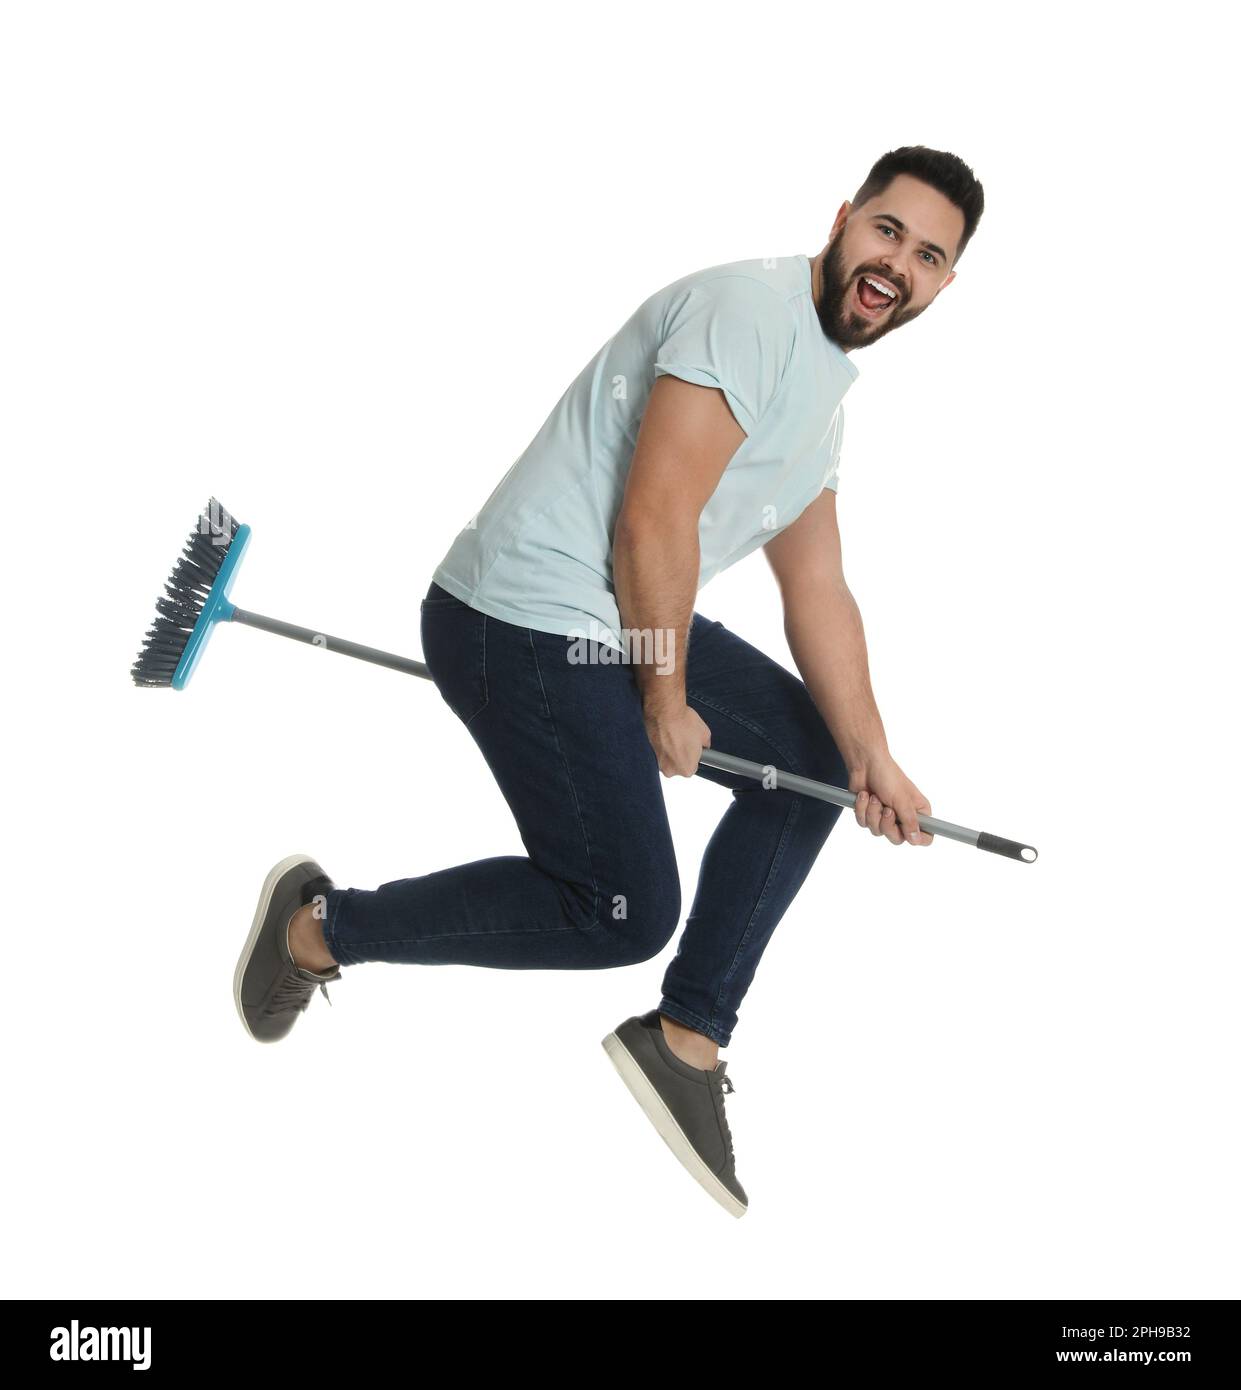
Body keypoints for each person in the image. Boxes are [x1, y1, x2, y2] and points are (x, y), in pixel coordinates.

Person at [234, 145, 984, 1217]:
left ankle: (685, 1038)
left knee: (808, 755)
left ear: (942, 284)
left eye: (925, 255)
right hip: (525, 619)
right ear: (841, 218)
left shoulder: (824, 389)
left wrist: (873, 757)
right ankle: (318, 928)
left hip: (610, 620)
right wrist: (661, 695)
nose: (894, 264)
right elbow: (654, 515)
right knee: (622, 908)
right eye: (884, 231)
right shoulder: (748, 313)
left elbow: (817, 587)